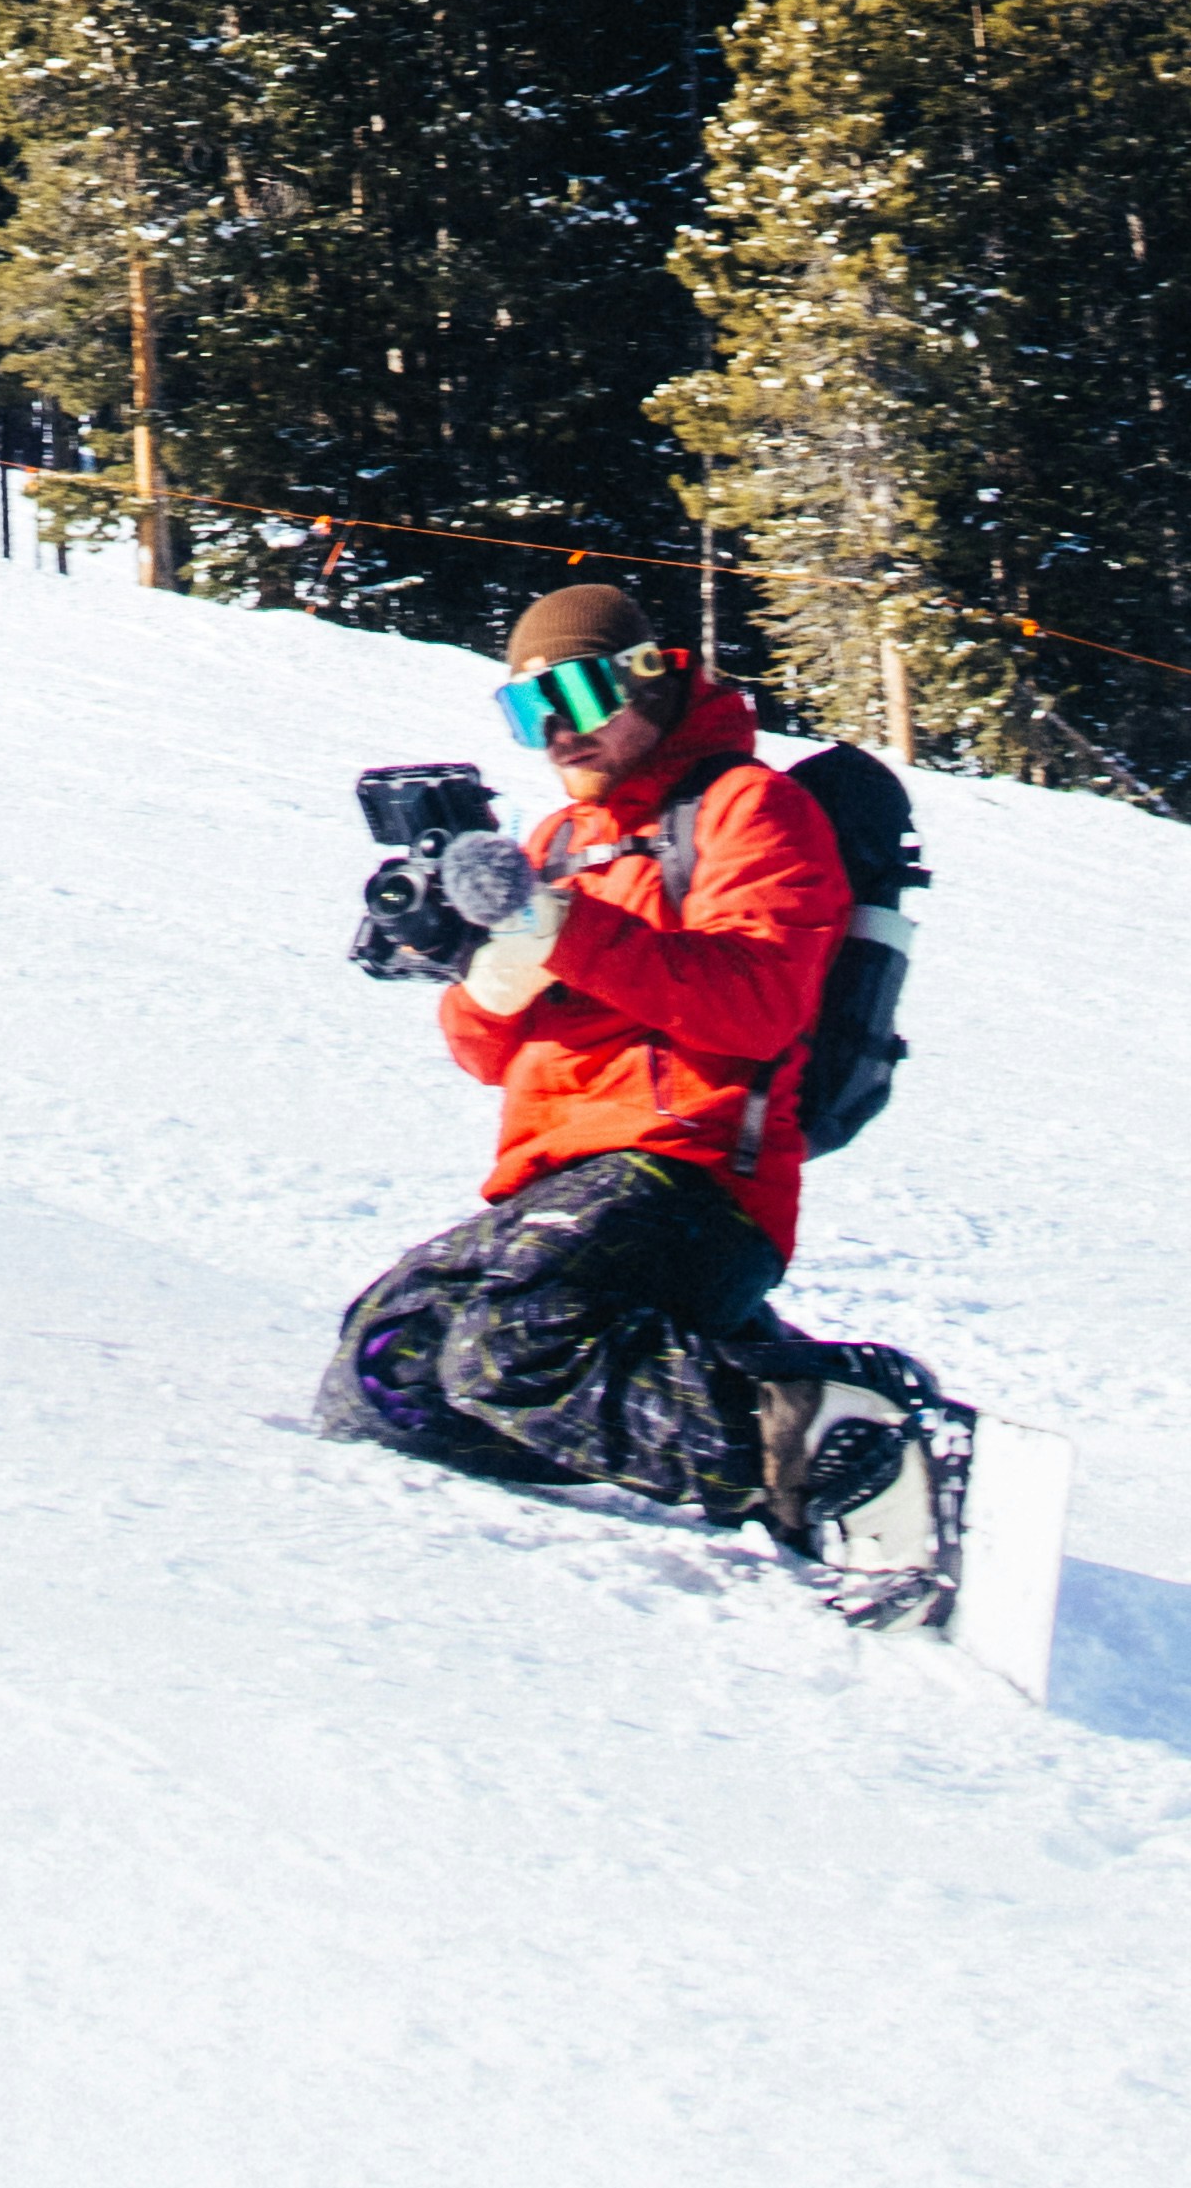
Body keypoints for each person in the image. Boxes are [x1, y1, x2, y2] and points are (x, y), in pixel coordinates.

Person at [316, 572, 879, 1544]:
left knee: (508, 1348)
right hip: (557, 1180)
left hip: (691, 1177)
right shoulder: (560, 838)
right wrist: (481, 970)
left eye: (573, 696)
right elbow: (487, 1052)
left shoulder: (750, 808)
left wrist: (560, 928)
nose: (555, 732)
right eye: (527, 708)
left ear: (647, 681)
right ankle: (773, 1375)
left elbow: (760, 1004)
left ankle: (835, 1466)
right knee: (386, 1370)